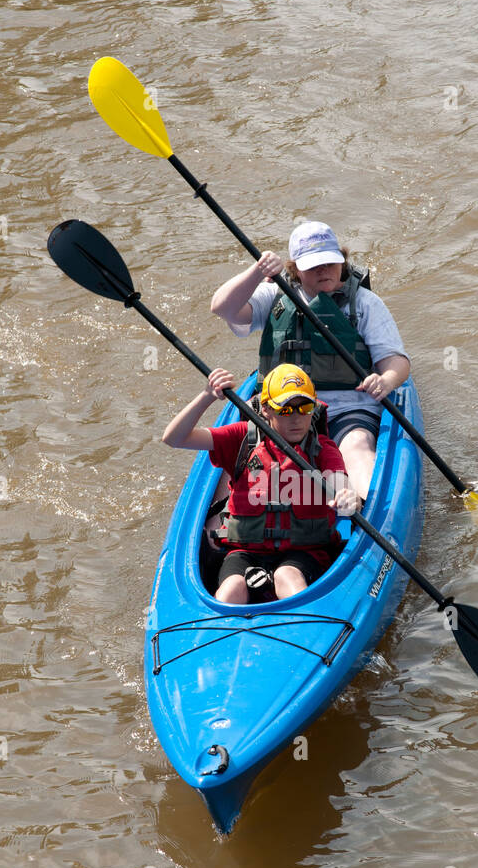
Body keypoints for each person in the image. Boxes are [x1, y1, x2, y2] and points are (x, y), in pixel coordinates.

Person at [210, 220, 410, 500]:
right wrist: (258, 271)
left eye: (330, 262)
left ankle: (369, 508)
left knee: (357, 445)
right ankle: (221, 522)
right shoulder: (274, 296)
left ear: (342, 260)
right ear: (295, 269)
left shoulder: (364, 304)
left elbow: (396, 362)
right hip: (279, 409)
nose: (324, 270)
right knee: (245, 450)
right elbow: (222, 308)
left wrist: (386, 379)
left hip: (345, 408)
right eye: (313, 265)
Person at [162, 363, 360, 605]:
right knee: (230, 590)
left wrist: (346, 495)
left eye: (305, 407)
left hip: (304, 552)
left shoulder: (323, 449)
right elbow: (174, 438)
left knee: (286, 577)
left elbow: (338, 481)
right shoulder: (241, 438)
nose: (297, 418)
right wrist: (207, 396)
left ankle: (301, 633)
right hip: (246, 552)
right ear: (266, 409)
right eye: (285, 410)